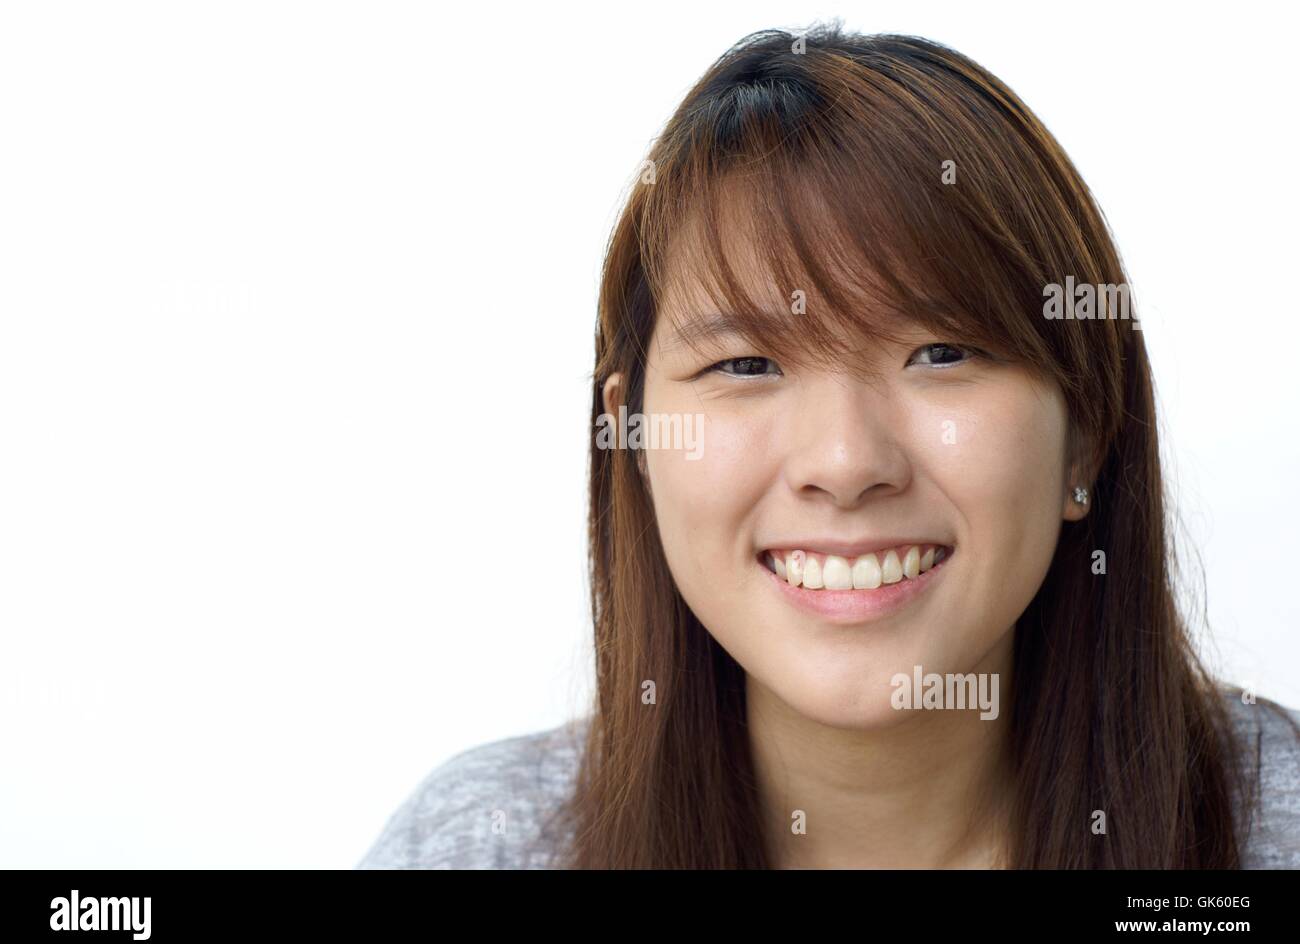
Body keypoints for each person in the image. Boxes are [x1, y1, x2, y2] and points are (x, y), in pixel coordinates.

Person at [358, 22, 1300, 870]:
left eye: (942, 353)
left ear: (1086, 435)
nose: (845, 464)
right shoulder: (475, 849)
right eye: (747, 365)